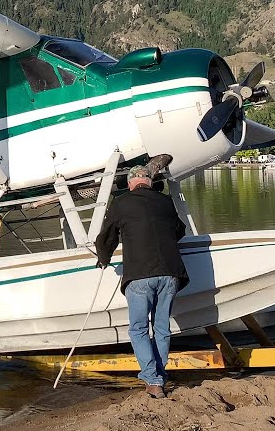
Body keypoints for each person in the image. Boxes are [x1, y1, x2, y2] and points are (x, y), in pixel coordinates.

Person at [94, 154, 188, 398]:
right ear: (148, 181)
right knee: (161, 327)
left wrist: (103, 258)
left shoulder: (121, 203)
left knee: (138, 329)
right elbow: (180, 230)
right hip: (170, 274)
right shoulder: (165, 202)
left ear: (130, 184)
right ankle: (160, 376)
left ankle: (152, 380)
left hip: (139, 275)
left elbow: (106, 237)